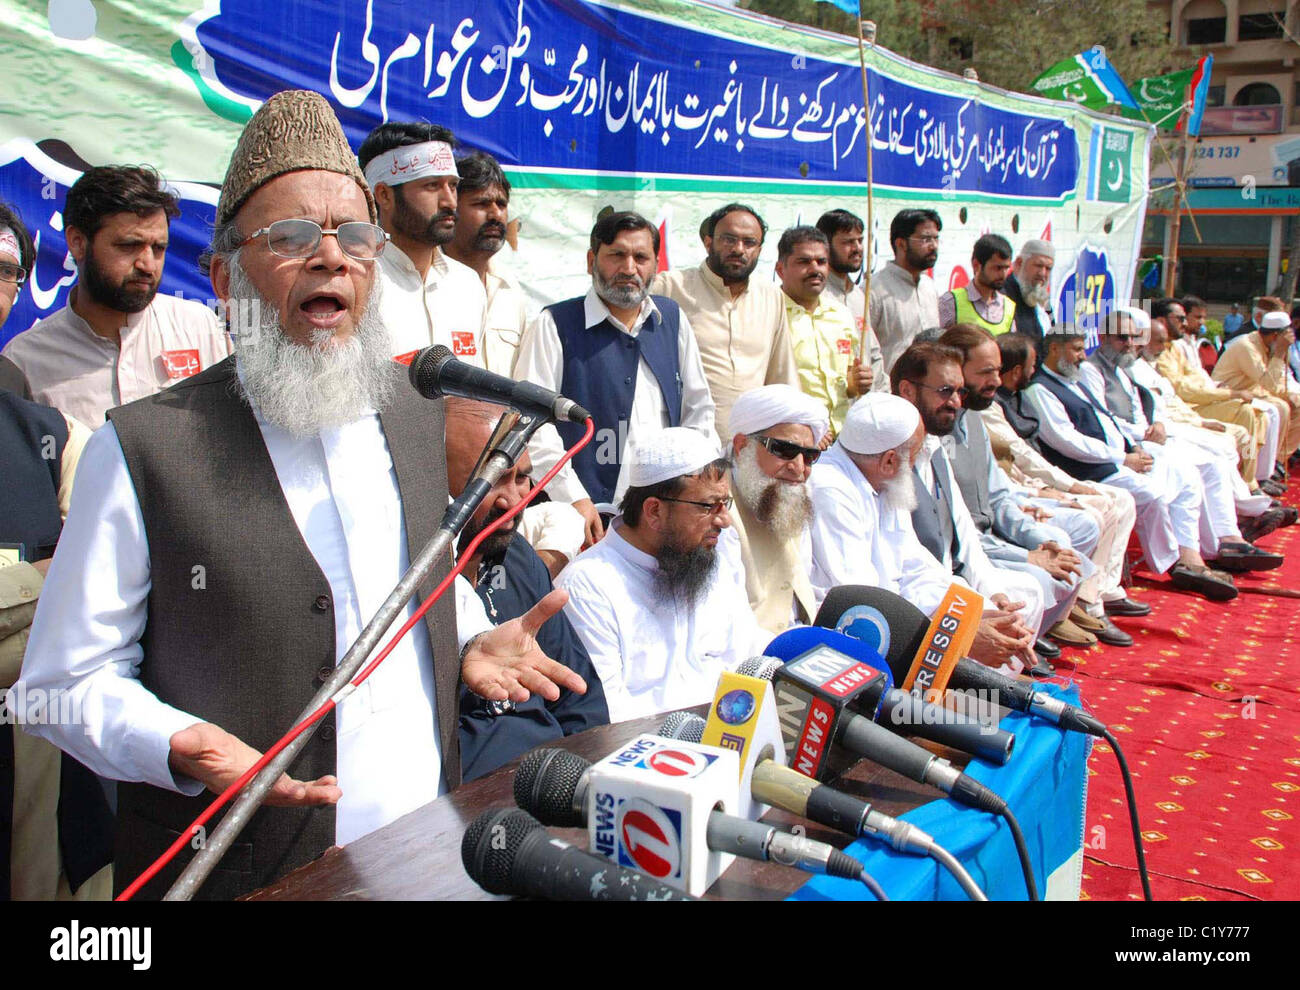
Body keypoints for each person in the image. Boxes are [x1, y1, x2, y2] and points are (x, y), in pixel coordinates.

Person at [8, 91, 585, 900]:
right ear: (221, 277)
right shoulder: (141, 447)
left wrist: (466, 642)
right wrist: (179, 742)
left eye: (354, 237)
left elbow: (401, 581)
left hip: (428, 856)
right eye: (289, 238)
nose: (330, 258)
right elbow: (54, 690)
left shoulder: (417, 417)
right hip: (246, 875)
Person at [0, 203, 112, 901]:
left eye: (5, 271)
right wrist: (41, 584)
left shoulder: (46, 434)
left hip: (46, 814)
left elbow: (111, 583)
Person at [514, 211, 716, 544]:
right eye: (617, 255)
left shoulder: (672, 320)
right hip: (582, 520)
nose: (629, 268)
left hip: (660, 517)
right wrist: (572, 499)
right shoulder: (554, 325)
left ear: (655, 264)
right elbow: (532, 423)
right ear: (592, 259)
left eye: (641, 257)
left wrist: (689, 485)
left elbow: (699, 412)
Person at [807, 392, 1038, 670]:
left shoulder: (884, 481)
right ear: (890, 460)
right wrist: (957, 636)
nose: (915, 465)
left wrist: (978, 612)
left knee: (1003, 625)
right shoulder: (830, 489)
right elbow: (860, 600)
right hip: (856, 635)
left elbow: (916, 566)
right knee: (972, 659)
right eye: (915, 456)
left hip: (897, 614)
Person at [443, 398, 608, 782]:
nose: (513, 501)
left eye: (521, 478)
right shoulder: (407, 584)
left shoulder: (518, 557)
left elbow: (581, 704)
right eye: (490, 480)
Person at [555, 428, 765, 722]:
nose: (725, 520)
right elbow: (606, 715)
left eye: (725, 503)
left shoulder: (708, 558)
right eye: (709, 506)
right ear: (654, 511)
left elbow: (749, 652)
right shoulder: (586, 587)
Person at [938, 324, 1128, 649]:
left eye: (998, 371)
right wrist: (1026, 556)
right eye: (986, 373)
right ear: (955, 371)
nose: (997, 383)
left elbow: (998, 499)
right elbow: (959, 532)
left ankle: (1038, 630)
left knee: (1066, 553)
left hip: (991, 539)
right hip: (964, 552)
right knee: (1039, 578)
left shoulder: (973, 419)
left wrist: (1043, 543)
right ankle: (1015, 647)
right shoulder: (935, 434)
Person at [1, 166, 229, 428]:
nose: (147, 264)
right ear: (77, 242)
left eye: (158, 248)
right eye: (129, 246)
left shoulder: (202, 328)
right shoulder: (25, 362)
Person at [1024, 326, 1237, 601]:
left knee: (1186, 478)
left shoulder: (1074, 380)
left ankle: (1190, 553)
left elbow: (1107, 418)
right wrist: (1123, 458)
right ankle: (1175, 565)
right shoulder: (1041, 389)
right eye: (1076, 349)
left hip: (1122, 456)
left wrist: (1132, 447)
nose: (1081, 357)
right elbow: (1067, 441)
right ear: (1054, 349)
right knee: (1153, 496)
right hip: (1091, 469)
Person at [892, 342, 1055, 669]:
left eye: (959, 392)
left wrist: (994, 593)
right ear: (907, 390)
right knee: (993, 617)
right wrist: (973, 601)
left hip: (948, 579)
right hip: (915, 594)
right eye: (944, 391)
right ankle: (970, 697)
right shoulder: (888, 456)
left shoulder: (934, 446)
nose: (955, 402)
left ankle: (995, 687)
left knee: (1024, 596)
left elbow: (964, 535)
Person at [1082, 310, 1280, 572]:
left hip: (1149, 436)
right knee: (1185, 472)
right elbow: (1103, 418)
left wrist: (1158, 425)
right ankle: (1189, 555)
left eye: (1133, 337)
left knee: (1213, 462)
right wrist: (1145, 434)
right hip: (1128, 444)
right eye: (1122, 337)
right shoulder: (1091, 370)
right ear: (1103, 337)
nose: (1130, 343)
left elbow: (1139, 410)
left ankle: (1227, 539)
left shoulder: (1123, 369)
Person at [985, 333, 1147, 623]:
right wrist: (1052, 489)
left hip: (1035, 485)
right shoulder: (991, 408)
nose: (1083, 356)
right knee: (1091, 516)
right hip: (1024, 491)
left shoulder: (1022, 395)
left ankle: (1092, 596)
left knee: (1118, 501)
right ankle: (1069, 611)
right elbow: (1019, 456)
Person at [651, 203, 798, 440]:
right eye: (728, 239)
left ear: (759, 250)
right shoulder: (669, 287)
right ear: (708, 242)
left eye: (749, 242)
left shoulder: (770, 296)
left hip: (751, 443)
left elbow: (782, 376)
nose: (739, 249)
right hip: (688, 441)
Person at [357, 121, 486, 359]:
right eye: (432, 185)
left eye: (453, 185)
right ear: (384, 195)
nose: (450, 201)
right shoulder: (357, 281)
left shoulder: (467, 285)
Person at [723, 383, 827, 631]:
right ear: (741, 446)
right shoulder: (714, 508)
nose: (799, 468)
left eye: (810, 455)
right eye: (785, 450)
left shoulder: (791, 494)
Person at [1153, 297, 1279, 493]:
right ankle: (1247, 485)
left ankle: (1251, 479)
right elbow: (1183, 389)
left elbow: (1196, 377)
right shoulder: (1158, 351)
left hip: (1197, 402)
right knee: (1245, 412)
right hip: (1187, 408)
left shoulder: (1174, 347)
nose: (1185, 324)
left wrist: (1222, 391)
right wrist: (1229, 393)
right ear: (1162, 321)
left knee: (1259, 413)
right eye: (1180, 319)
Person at [777, 226, 871, 437]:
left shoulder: (841, 315)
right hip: (794, 441)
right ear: (780, 270)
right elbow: (765, 386)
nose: (815, 269)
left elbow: (847, 384)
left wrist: (857, 383)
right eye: (803, 262)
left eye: (821, 262)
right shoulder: (771, 314)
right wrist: (807, 428)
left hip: (843, 436)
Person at [442, 151, 527, 376]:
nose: (495, 214)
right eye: (481, 203)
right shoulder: (427, 284)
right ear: (451, 209)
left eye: (501, 204)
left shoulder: (510, 290)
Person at [1213, 307, 1300, 471]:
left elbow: (1280, 380)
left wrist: (1291, 394)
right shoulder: (1247, 346)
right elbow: (1270, 384)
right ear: (1276, 336)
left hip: (1255, 393)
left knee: (1296, 403)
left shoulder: (1270, 346)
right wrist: (1280, 352)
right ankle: (1260, 471)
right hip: (1230, 395)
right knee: (1278, 409)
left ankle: (1277, 462)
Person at [816, 208, 886, 392]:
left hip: (867, 406)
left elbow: (873, 353)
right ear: (825, 246)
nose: (857, 249)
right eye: (847, 242)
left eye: (860, 241)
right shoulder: (816, 297)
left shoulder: (858, 294)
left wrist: (882, 395)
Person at [867, 208, 942, 374]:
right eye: (925, 239)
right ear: (901, 243)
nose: (933, 246)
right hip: (890, 393)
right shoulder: (873, 291)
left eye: (936, 238)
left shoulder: (930, 287)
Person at [937, 234, 1016, 335]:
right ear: (976, 265)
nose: (1003, 274)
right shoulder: (950, 303)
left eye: (1006, 268)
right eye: (997, 268)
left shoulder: (1008, 307)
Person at [1003, 239, 1056, 351]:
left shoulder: (1041, 299)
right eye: (1038, 265)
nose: (1042, 274)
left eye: (1048, 269)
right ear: (1019, 263)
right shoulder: (1003, 296)